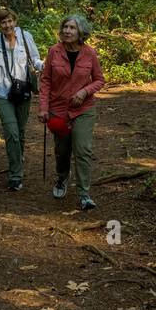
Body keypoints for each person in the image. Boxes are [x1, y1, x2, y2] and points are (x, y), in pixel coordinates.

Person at [39, 14, 105, 211]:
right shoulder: (54, 52)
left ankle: (84, 194)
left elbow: (99, 80)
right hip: (58, 110)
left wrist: (85, 91)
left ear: (81, 32)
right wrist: (43, 108)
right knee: (62, 150)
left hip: (84, 109)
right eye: (65, 27)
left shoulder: (90, 54)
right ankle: (61, 178)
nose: (67, 31)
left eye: (72, 28)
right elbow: (46, 81)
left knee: (83, 149)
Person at [0, 6, 42, 192]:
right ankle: (16, 175)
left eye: (10, 21)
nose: (7, 25)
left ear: (15, 21)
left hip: (23, 91)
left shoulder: (26, 37)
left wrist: (46, 65)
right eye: (3, 22)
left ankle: (18, 160)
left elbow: (35, 60)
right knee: (12, 133)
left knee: (21, 132)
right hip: (2, 92)